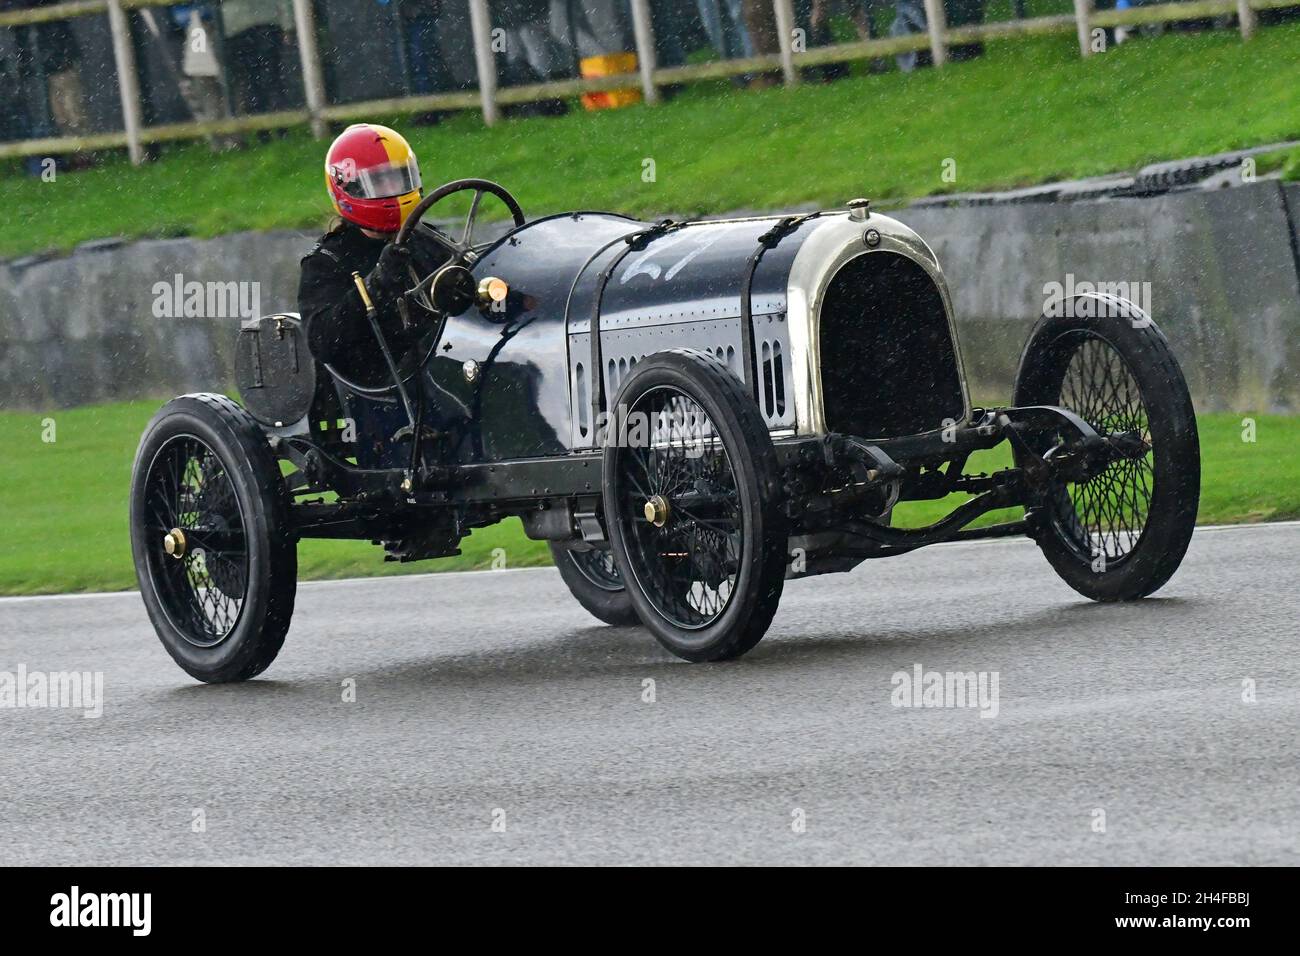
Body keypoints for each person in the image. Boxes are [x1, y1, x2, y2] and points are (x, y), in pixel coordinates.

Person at [298, 123, 451, 383]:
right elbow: (322, 341)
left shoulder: (427, 239)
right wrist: (377, 284)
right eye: (380, 181)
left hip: (438, 368)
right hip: (377, 386)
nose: (393, 188)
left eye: (399, 177)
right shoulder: (327, 261)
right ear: (349, 188)